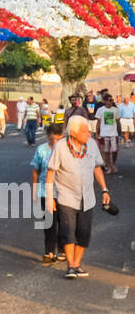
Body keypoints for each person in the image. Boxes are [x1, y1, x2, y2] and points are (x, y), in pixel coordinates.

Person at [45, 115, 110, 279]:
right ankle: (71, 266)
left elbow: (97, 169)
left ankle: (77, 264)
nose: (88, 133)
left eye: (88, 129)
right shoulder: (60, 146)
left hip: (87, 197)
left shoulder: (92, 145)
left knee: (84, 232)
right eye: (84, 130)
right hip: (66, 196)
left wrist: (104, 190)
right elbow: (51, 173)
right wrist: (50, 197)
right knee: (68, 230)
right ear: (73, 133)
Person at [31, 122, 65, 264]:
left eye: (58, 139)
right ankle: (49, 251)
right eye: (52, 139)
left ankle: (62, 249)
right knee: (49, 223)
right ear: (47, 137)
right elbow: (36, 171)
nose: (55, 142)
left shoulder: (67, 149)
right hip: (46, 192)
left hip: (64, 192)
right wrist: (34, 190)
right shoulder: (41, 150)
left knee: (64, 222)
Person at [97, 93, 120, 175]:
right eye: (110, 100)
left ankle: (113, 164)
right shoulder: (100, 110)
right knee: (106, 151)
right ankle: (109, 167)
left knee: (115, 150)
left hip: (114, 133)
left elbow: (118, 122)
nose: (111, 102)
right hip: (104, 134)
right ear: (105, 101)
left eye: (112, 100)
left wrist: (119, 132)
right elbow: (98, 122)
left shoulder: (116, 110)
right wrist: (97, 133)